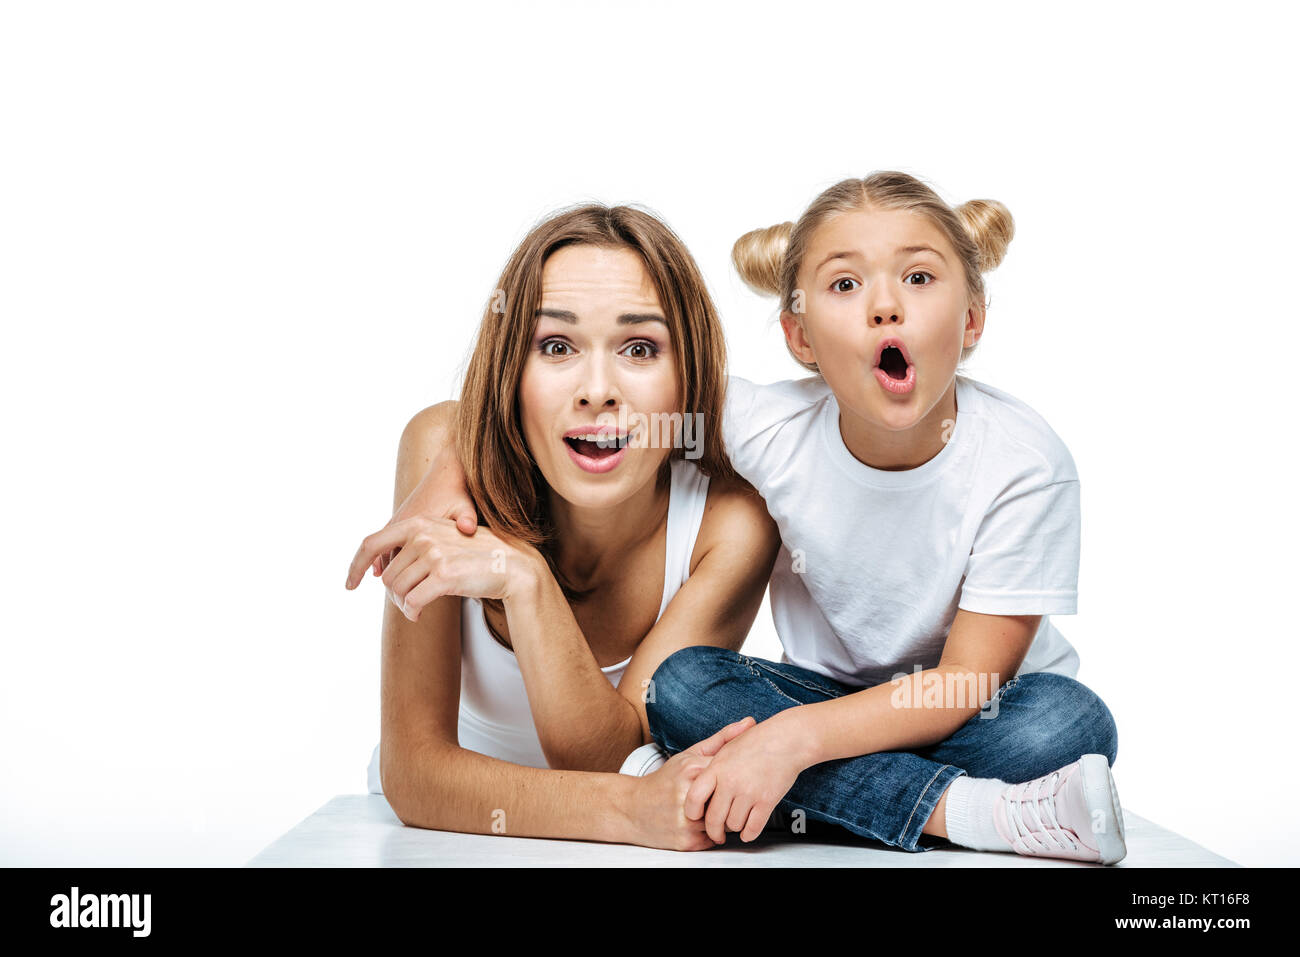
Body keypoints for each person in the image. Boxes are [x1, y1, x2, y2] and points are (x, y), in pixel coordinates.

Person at [392, 172, 1127, 865]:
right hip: (817, 699)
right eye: (844, 283)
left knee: (1069, 724)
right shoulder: (764, 426)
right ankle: (966, 812)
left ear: (972, 320)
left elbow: (965, 682)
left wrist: (790, 742)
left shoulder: (1025, 462)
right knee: (683, 688)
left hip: (973, 711)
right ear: (798, 336)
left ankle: (752, 786)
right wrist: (443, 468)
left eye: (919, 277)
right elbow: (540, 405)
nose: (884, 306)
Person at [345, 203, 780, 851]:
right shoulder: (440, 445)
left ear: (688, 374)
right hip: (449, 847)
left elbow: (614, 755)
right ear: (512, 371)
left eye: (639, 348)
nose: (597, 388)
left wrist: (526, 584)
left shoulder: (732, 524)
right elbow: (412, 771)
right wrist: (632, 808)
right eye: (556, 345)